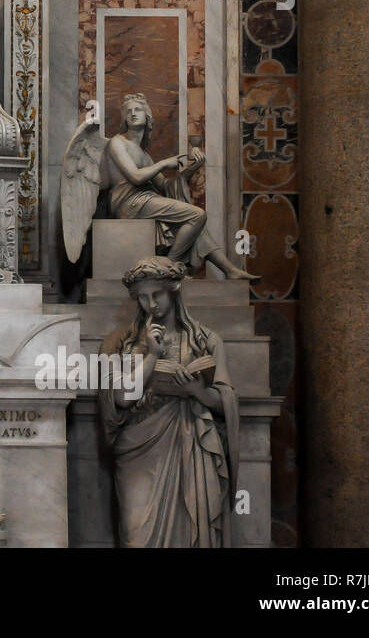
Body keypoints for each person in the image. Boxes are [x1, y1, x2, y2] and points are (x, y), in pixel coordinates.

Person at [100, 256, 239, 547]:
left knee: (192, 531)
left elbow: (224, 398)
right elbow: (122, 398)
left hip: (191, 442)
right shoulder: (118, 342)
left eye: (157, 295)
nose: (151, 304)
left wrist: (196, 391)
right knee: (136, 535)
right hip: (138, 452)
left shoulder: (207, 340)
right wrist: (152, 356)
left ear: (174, 290)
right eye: (142, 298)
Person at [103, 93, 257, 280]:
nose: (133, 113)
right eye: (128, 111)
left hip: (145, 201)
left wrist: (194, 167)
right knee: (196, 215)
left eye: (138, 110)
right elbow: (135, 177)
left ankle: (229, 270)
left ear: (147, 116)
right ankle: (170, 266)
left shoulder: (143, 153)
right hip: (129, 204)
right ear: (124, 118)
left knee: (195, 226)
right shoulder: (117, 143)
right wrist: (164, 163)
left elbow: (166, 184)